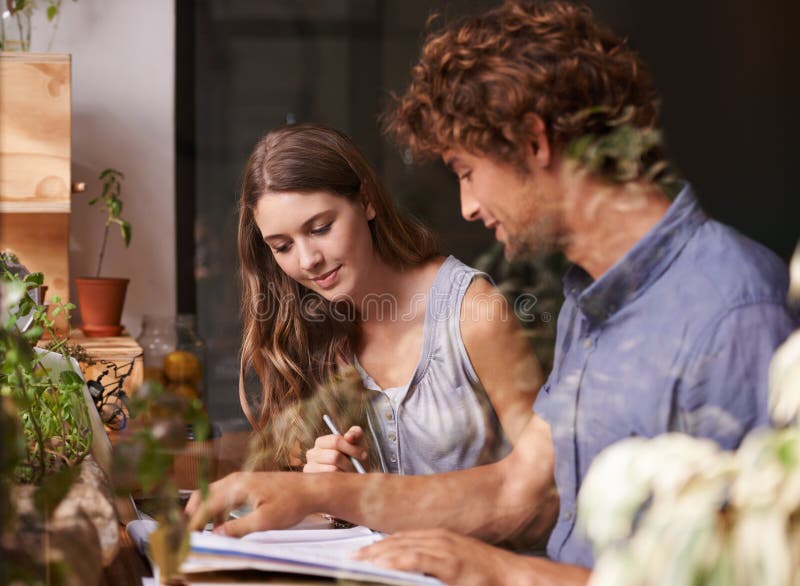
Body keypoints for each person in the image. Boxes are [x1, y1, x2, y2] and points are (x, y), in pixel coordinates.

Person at [188, 2, 799, 583]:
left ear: (534, 142)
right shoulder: (593, 302)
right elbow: (520, 491)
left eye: (466, 170)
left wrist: (503, 572)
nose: (468, 206)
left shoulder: (735, 314)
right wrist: (316, 493)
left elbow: (740, 575)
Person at [236, 122, 541, 475]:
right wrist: (335, 487)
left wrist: (372, 494)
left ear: (366, 201)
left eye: (320, 228)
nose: (307, 260)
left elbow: (543, 480)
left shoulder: (475, 313)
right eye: (283, 246)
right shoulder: (307, 331)